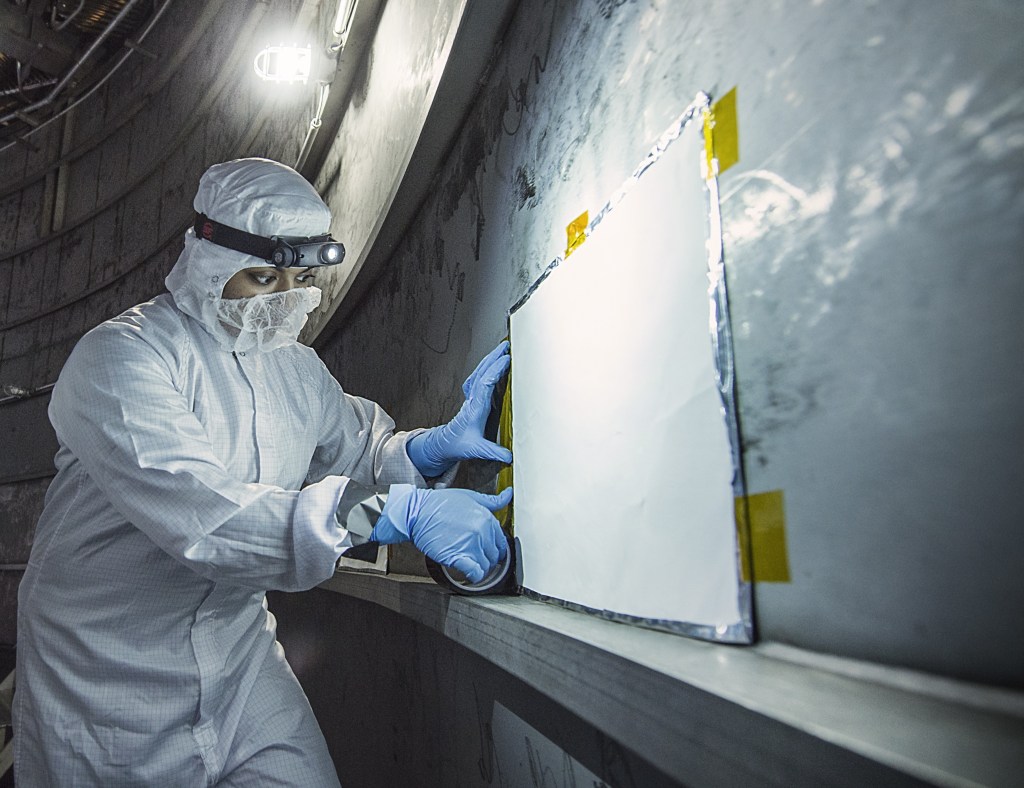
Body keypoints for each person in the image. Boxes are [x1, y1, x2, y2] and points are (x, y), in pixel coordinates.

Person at [13, 158, 513, 786]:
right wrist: (388, 512)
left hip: (238, 652)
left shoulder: (294, 370)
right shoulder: (121, 358)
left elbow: (363, 450)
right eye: (260, 278)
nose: (284, 300)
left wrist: (428, 450)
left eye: (301, 279)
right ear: (206, 260)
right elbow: (209, 522)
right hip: (106, 668)